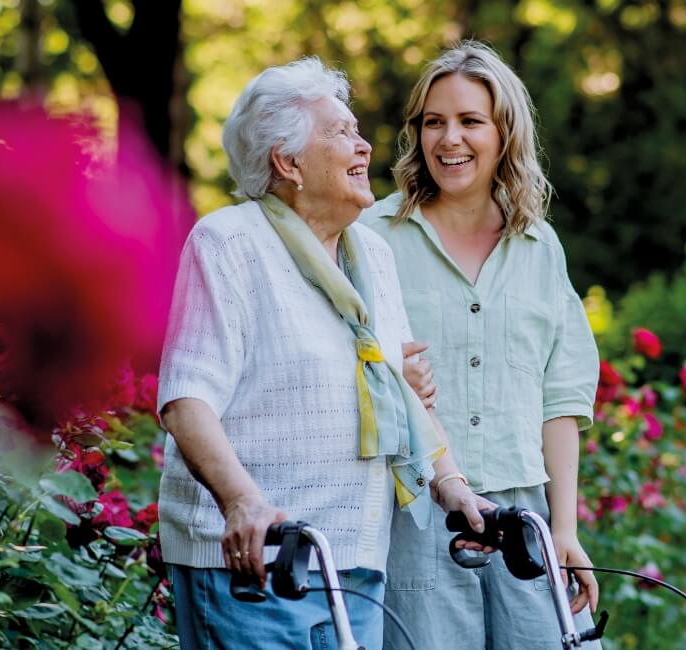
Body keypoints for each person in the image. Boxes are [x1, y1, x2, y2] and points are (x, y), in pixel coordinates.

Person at [156, 57, 493, 649]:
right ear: (288, 162)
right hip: (256, 562)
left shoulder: (371, 255)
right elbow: (186, 398)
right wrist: (242, 502)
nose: (364, 145)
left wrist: (453, 485)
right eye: (341, 133)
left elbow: (400, 393)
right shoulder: (230, 243)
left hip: (354, 559)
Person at [364, 42, 602, 649]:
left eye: (470, 121)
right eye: (433, 122)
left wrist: (566, 530)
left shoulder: (539, 246)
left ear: (504, 133)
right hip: (416, 516)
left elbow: (560, 398)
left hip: (525, 518)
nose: (450, 140)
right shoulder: (371, 239)